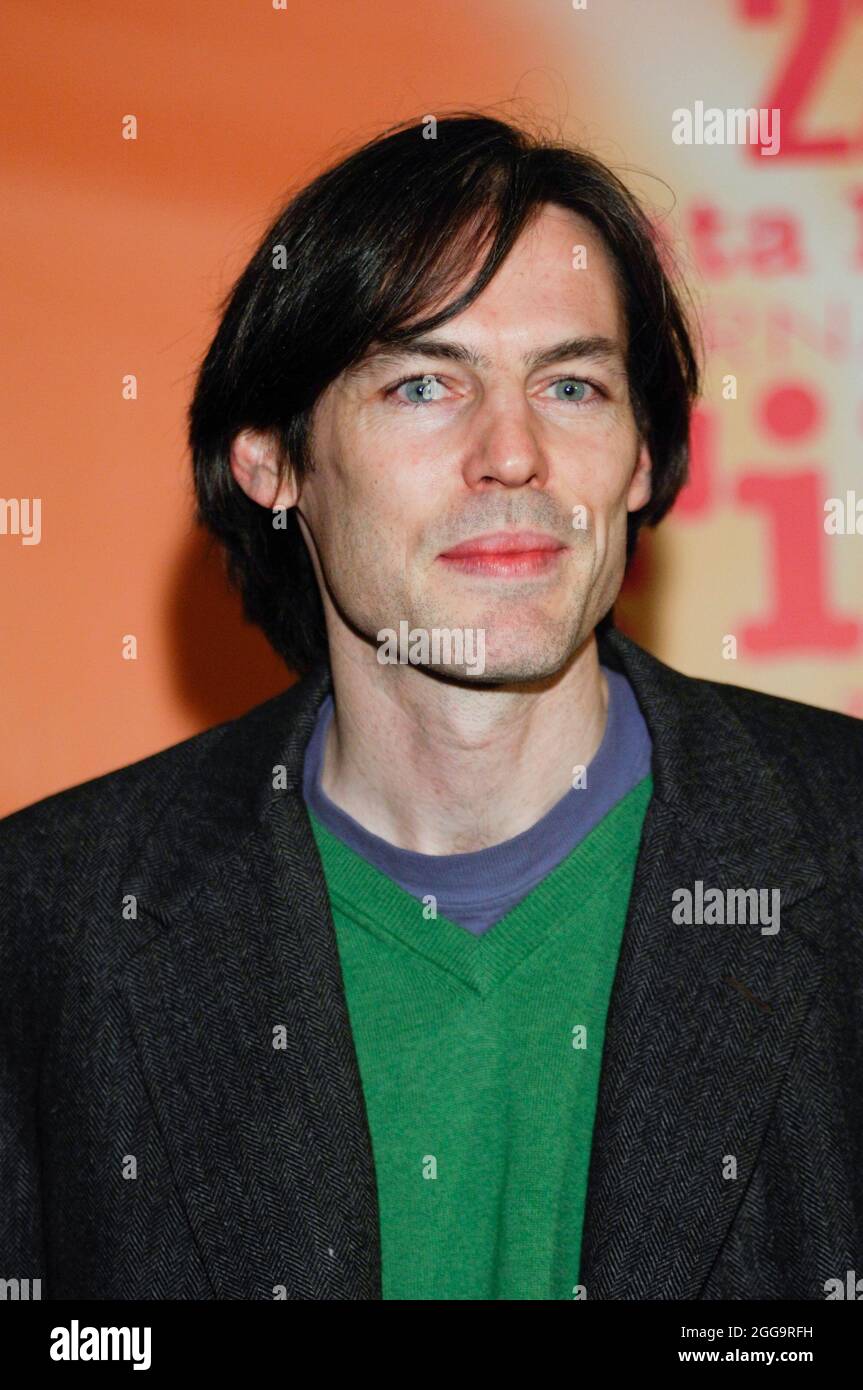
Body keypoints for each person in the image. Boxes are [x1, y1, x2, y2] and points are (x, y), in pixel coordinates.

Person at [2, 113, 861, 1302]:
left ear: (642, 459)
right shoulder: (45, 922)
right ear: (274, 462)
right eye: (421, 383)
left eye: (569, 383)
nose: (511, 454)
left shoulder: (840, 843)